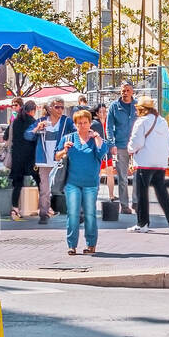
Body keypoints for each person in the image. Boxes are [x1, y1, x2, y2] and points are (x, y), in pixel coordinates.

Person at [126, 96, 169, 233]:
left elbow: (136, 143)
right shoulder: (162, 121)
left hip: (144, 162)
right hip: (160, 163)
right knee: (161, 192)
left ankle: (142, 223)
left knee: (141, 193)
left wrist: (129, 149)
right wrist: (163, 157)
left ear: (141, 109)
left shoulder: (141, 122)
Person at [56, 108, 105, 255]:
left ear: (90, 123)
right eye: (79, 123)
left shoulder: (96, 139)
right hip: (72, 183)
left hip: (90, 183)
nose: (82, 125)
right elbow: (57, 156)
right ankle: (71, 245)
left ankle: (91, 244)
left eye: (85, 122)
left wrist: (97, 139)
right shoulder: (68, 138)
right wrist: (64, 150)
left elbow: (101, 154)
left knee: (90, 214)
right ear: (75, 124)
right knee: (73, 214)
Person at [25, 98, 74, 226]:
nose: (60, 110)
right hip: (44, 160)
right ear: (50, 108)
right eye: (57, 107)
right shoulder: (41, 121)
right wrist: (37, 129)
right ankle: (43, 214)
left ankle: (76, 213)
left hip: (60, 159)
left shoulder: (66, 121)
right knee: (45, 189)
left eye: (62, 107)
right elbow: (27, 135)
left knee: (69, 187)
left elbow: (76, 132)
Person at [108, 81, 139, 215]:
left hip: (137, 145)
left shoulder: (138, 105)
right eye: (123, 90)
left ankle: (136, 202)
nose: (125, 93)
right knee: (122, 177)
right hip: (120, 145)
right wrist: (111, 144)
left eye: (127, 90)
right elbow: (109, 127)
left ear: (132, 91)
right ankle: (124, 205)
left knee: (139, 175)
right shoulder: (114, 107)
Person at [5, 100, 39, 221]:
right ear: (33, 110)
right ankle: (43, 207)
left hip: (17, 157)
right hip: (30, 157)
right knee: (39, 180)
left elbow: (5, 136)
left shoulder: (15, 122)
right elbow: (37, 140)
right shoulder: (34, 122)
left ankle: (15, 209)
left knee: (17, 184)